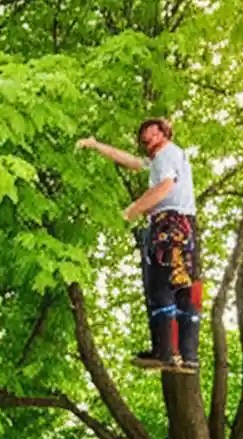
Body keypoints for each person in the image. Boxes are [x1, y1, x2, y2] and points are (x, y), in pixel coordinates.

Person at [77, 118, 199, 374]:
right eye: (145, 139)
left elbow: (165, 186)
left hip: (169, 224)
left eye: (154, 135)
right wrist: (96, 145)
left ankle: (164, 352)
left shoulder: (166, 154)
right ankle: (187, 356)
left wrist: (131, 210)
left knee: (158, 284)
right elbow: (132, 162)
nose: (149, 142)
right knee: (183, 286)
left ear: (165, 134)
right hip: (185, 226)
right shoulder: (167, 157)